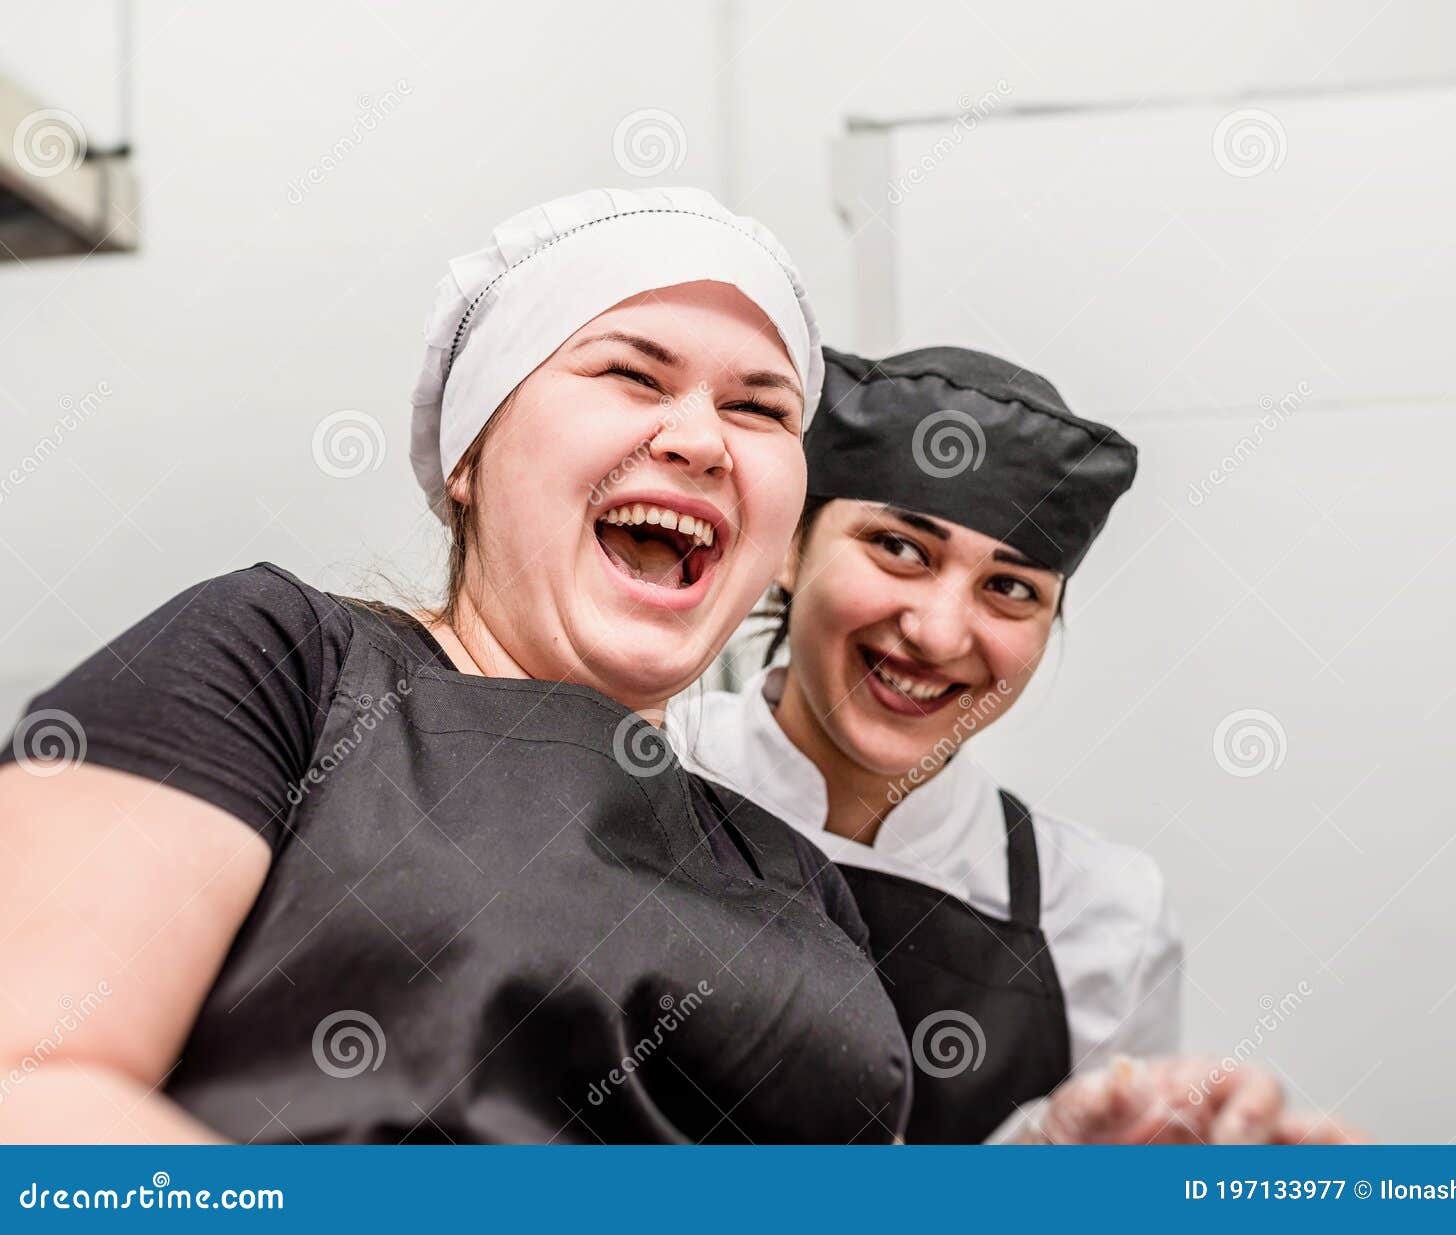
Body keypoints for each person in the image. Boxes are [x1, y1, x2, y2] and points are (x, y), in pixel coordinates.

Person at [0, 188, 911, 1145]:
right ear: (469, 455)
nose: (700, 438)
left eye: (760, 407)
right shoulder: (278, 664)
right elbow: (37, 1088)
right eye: (634, 376)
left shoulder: (794, 880)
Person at [672, 346, 1357, 1145]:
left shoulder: (1104, 914)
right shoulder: (629, 782)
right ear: (789, 545)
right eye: (899, 547)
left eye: (1010, 587)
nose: (937, 632)